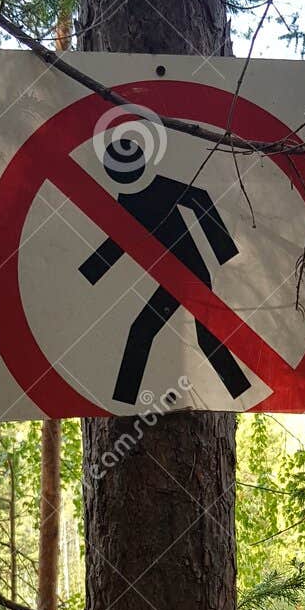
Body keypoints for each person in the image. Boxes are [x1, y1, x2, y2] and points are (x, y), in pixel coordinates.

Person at [79, 134, 250, 406]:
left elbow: (199, 198)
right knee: (150, 332)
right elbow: (120, 241)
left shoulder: (158, 188)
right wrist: (90, 272)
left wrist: (223, 249)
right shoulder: (127, 203)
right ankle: (123, 403)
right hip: (174, 279)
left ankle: (123, 401)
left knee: (154, 333)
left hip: (191, 277)